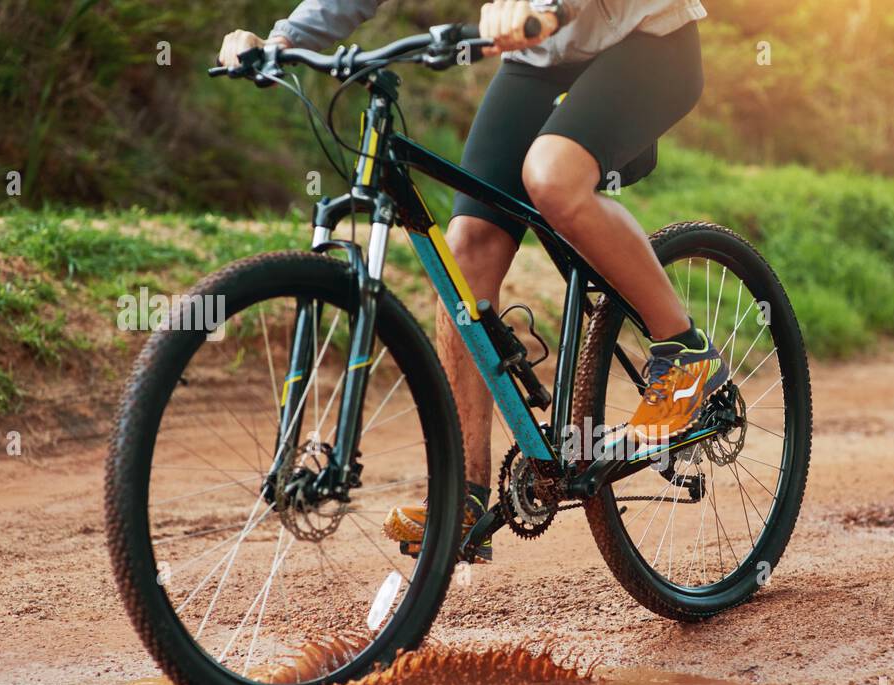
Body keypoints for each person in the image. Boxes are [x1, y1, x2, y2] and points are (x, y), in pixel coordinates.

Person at [218, 1, 724, 561]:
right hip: (537, 52)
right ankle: (464, 493)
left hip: (647, 39)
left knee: (552, 178)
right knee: (466, 252)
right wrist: (284, 38)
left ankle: (684, 351)